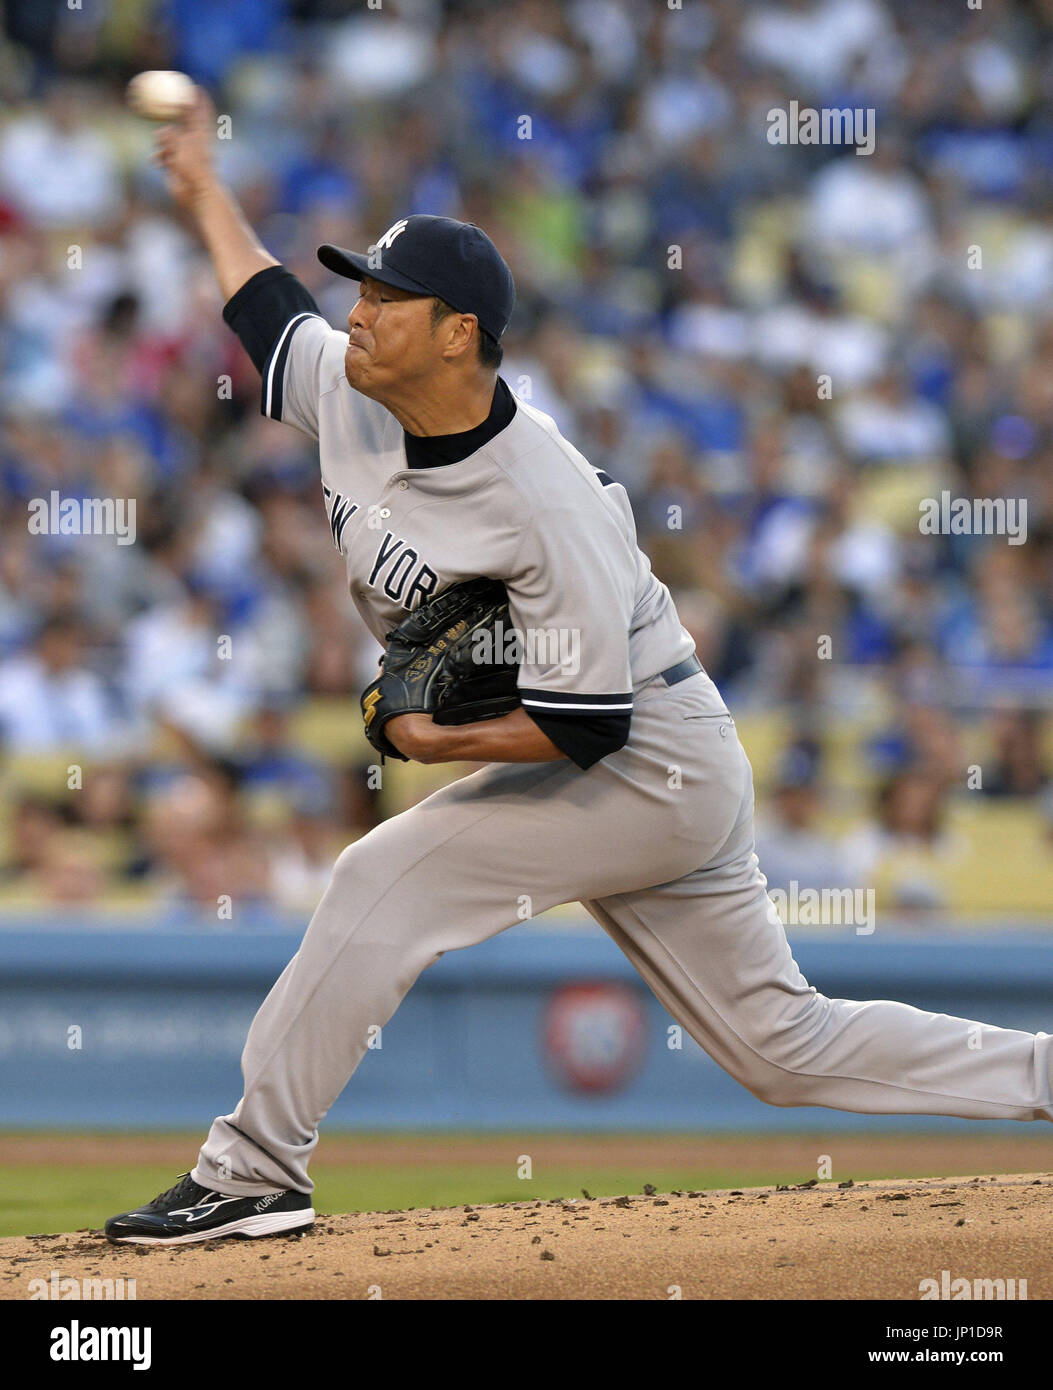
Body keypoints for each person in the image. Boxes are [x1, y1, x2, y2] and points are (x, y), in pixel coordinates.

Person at [105, 91, 1053, 1245]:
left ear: (459, 332)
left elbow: (589, 723)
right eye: (359, 288)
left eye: (387, 298)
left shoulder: (542, 498)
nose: (357, 312)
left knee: (377, 885)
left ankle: (253, 1168)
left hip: (644, 756)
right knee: (779, 1047)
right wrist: (203, 185)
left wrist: (433, 741)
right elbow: (264, 310)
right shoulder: (352, 389)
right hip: (647, 754)